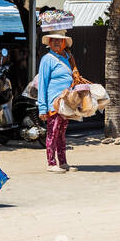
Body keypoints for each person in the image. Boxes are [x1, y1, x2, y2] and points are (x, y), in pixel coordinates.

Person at [37, 10, 79, 173]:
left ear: (64, 44)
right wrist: (42, 108)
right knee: (52, 133)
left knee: (61, 134)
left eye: (59, 41)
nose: (56, 42)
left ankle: (63, 161)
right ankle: (51, 163)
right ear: (50, 42)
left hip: (65, 103)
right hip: (53, 103)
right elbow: (43, 84)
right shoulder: (47, 59)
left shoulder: (67, 59)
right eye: (54, 40)